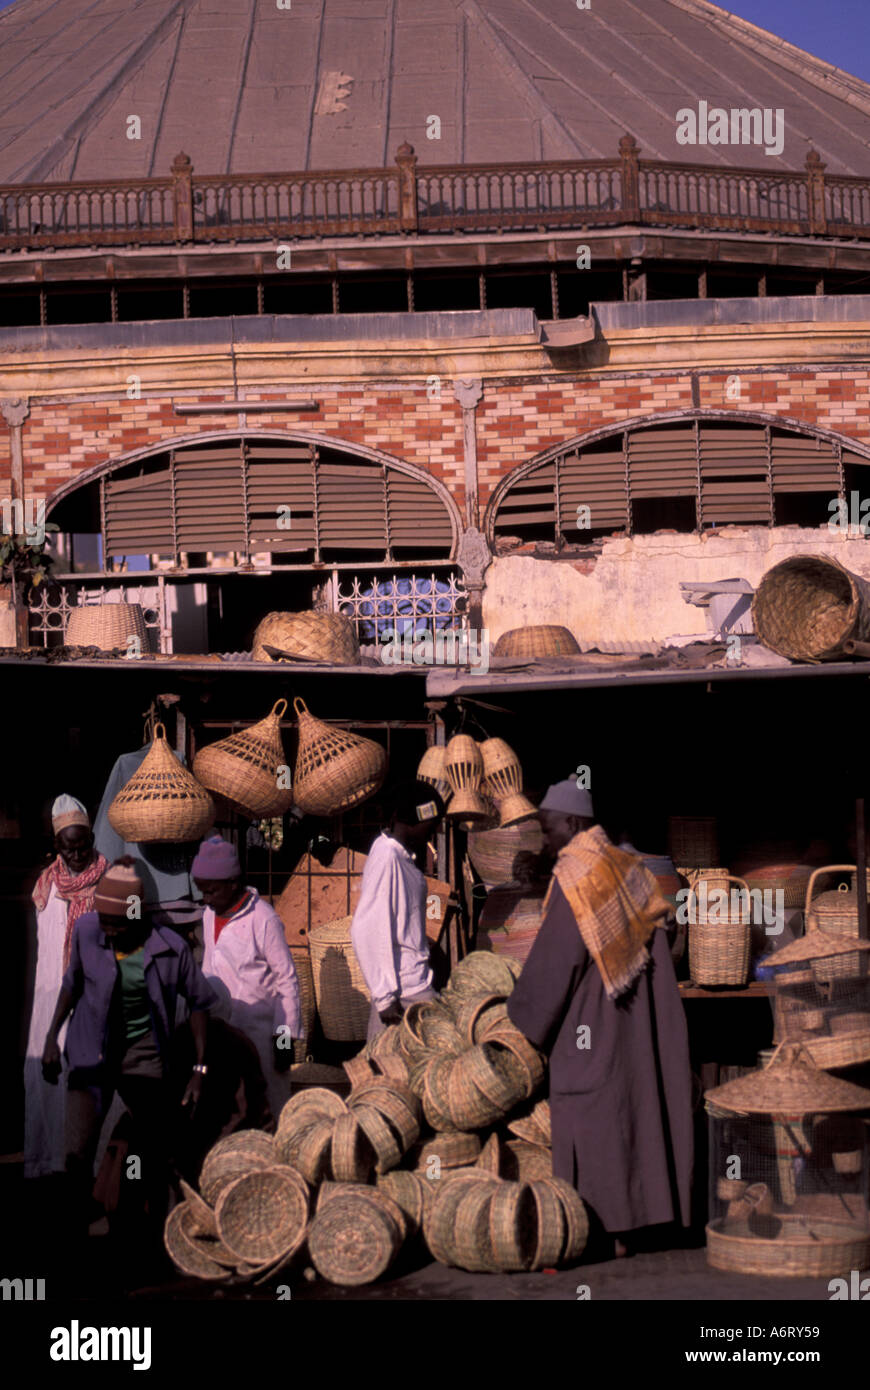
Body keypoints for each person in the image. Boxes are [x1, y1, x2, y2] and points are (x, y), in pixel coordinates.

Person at [507, 780, 693, 1259]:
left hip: (594, 1019)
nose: (544, 840)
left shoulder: (578, 876)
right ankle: (643, 1222)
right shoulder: (628, 867)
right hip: (636, 1020)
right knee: (637, 1111)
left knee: (596, 1120)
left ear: (572, 824)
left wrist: (521, 1017)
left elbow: (557, 962)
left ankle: (604, 1229)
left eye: (547, 829)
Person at [41, 857, 215, 1250]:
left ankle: (141, 1235)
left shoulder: (171, 950)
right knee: (76, 1152)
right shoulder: (88, 931)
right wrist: (52, 1037)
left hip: (144, 1056)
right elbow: (71, 984)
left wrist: (198, 1070)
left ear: (137, 916)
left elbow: (201, 1002)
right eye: (104, 920)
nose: (108, 930)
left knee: (151, 1150)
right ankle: (73, 1238)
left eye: (117, 924)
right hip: (91, 1053)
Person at [25, 796, 107, 1179]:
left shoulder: (111, 882)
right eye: (68, 847)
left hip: (92, 998)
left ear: (92, 837)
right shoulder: (46, 886)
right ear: (56, 845)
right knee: (49, 1079)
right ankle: (50, 1162)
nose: (76, 854)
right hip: (50, 998)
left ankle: (95, 1168)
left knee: (92, 1082)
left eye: (83, 845)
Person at [194, 835, 301, 1124]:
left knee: (272, 1102)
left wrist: (284, 1039)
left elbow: (287, 979)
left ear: (233, 883)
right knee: (231, 1105)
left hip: (261, 1033)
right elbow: (208, 968)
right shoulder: (208, 915)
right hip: (224, 1030)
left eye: (212, 891)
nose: (206, 899)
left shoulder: (263, 919)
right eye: (202, 891)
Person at [351, 780, 446, 1041]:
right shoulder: (387, 858)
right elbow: (367, 928)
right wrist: (384, 999)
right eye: (432, 821)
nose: (435, 829)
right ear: (413, 820)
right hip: (404, 993)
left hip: (412, 984)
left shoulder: (401, 857)